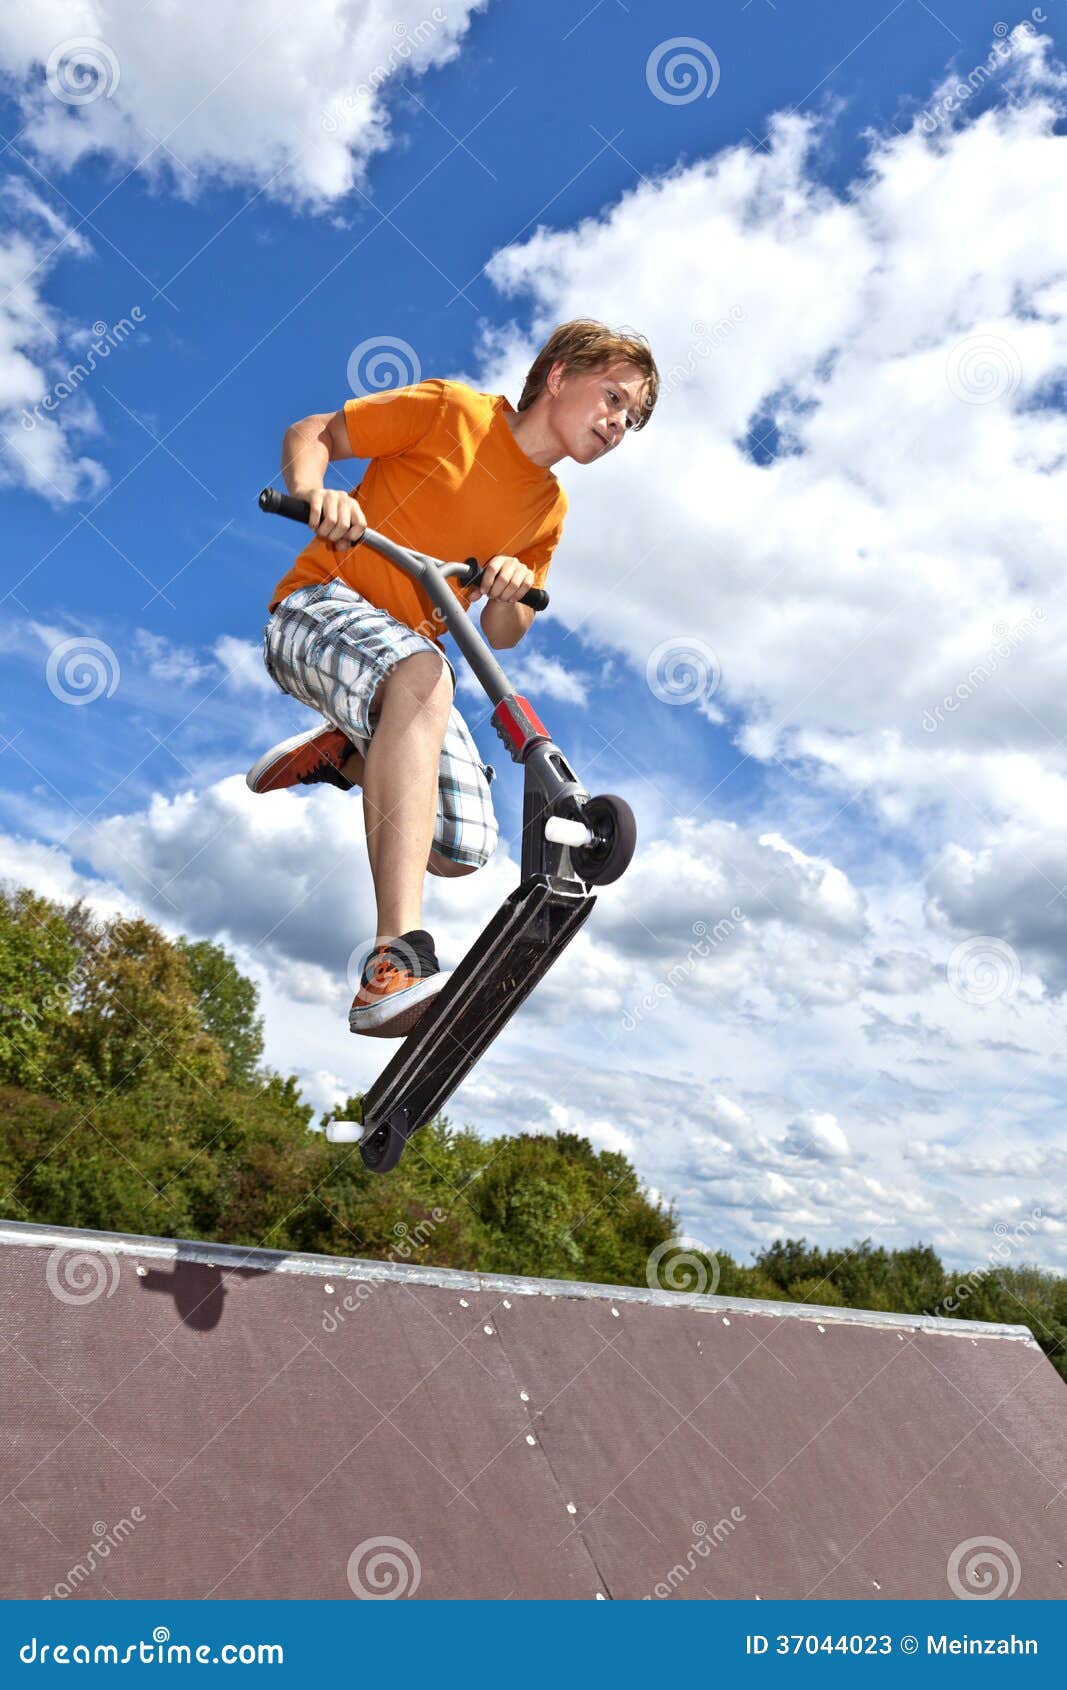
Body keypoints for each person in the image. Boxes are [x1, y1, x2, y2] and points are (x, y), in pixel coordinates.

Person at [248, 319, 659, 1037]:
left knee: (460, 851)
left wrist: (507, 591)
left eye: (632, 418)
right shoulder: (453, 411)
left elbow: (503, 634)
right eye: (613, 397)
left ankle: (348, 753)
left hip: (404, 662)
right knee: (422, 667)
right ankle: (393, 961)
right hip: (318, 608)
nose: (618, 423)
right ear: (558, 375)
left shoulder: (547, 511)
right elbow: (311, 431)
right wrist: (318, 495)